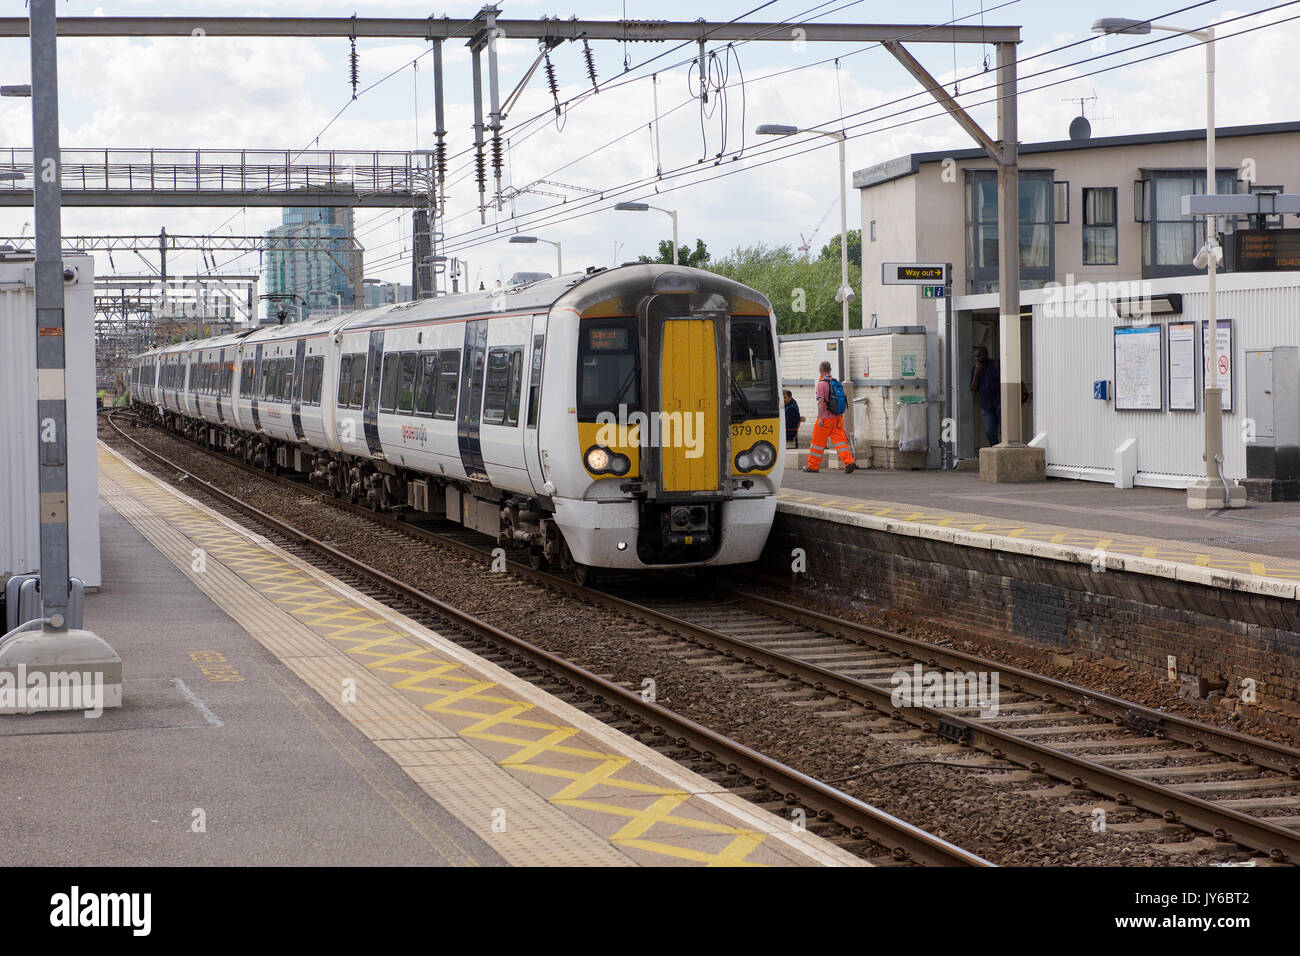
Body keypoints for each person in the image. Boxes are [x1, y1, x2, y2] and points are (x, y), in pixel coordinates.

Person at [804, 361, 857, 473]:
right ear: (830, 370)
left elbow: (821, 402)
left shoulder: (822, 384)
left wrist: (821, 418)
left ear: (820, 370)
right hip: (837, 418)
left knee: (817, 443)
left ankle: (813, 466)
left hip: (825, 418)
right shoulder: (836, 382)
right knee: (841, 442)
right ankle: (849, 462)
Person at [970, 345, 1000, 448]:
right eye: (976, 357)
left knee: (1005, 429)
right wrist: (976, 374)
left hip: (999, 402)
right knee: (989, 431)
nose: (977, 359)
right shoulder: (975, 369)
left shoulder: (996, 365)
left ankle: (1005, 449)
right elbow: (973, 389)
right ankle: (995, 449)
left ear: (986, 355)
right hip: (986, 405)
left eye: (979, 356)